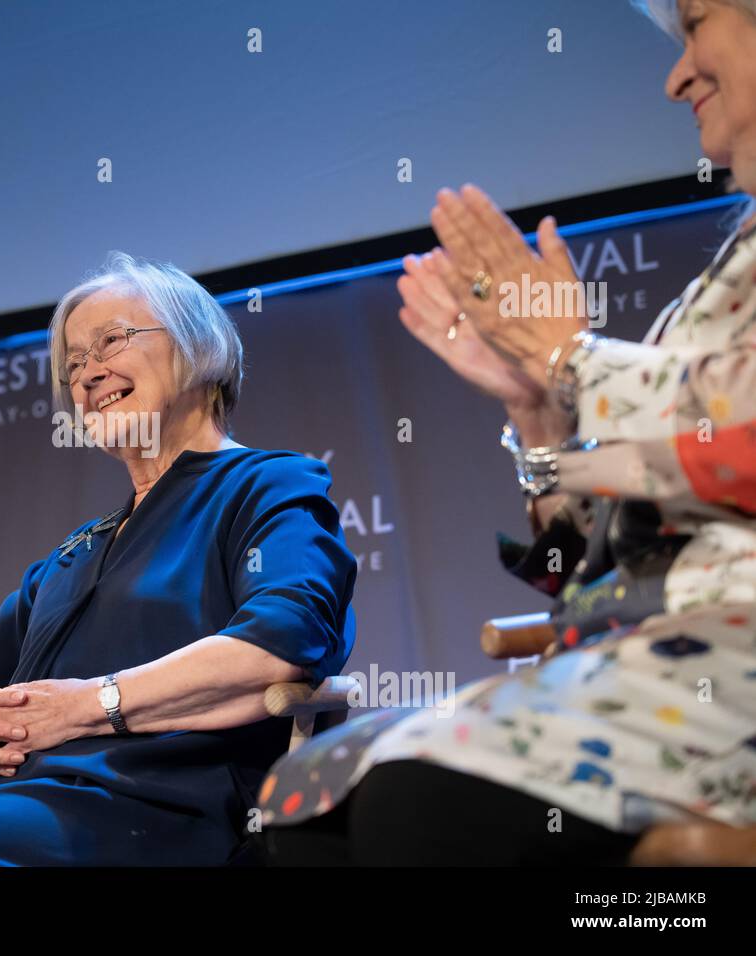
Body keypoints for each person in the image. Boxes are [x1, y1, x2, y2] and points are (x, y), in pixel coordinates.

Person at [254, 0, 756, 867]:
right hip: (644, 643)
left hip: (729, 651)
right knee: (311, 807)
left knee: (424, 807)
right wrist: (539, 409)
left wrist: (570, 355)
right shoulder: (718, 279)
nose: (675, 76)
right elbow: (583, 571)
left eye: (697, 24)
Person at [0, 252, 357, 866]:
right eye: (72, 363)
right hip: (18, 805)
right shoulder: (74, 555)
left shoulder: (266, 485)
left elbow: (282, 640)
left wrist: (86, 708)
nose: (88, 374)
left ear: (199, 346)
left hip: (157, 811)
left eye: (111, 341)